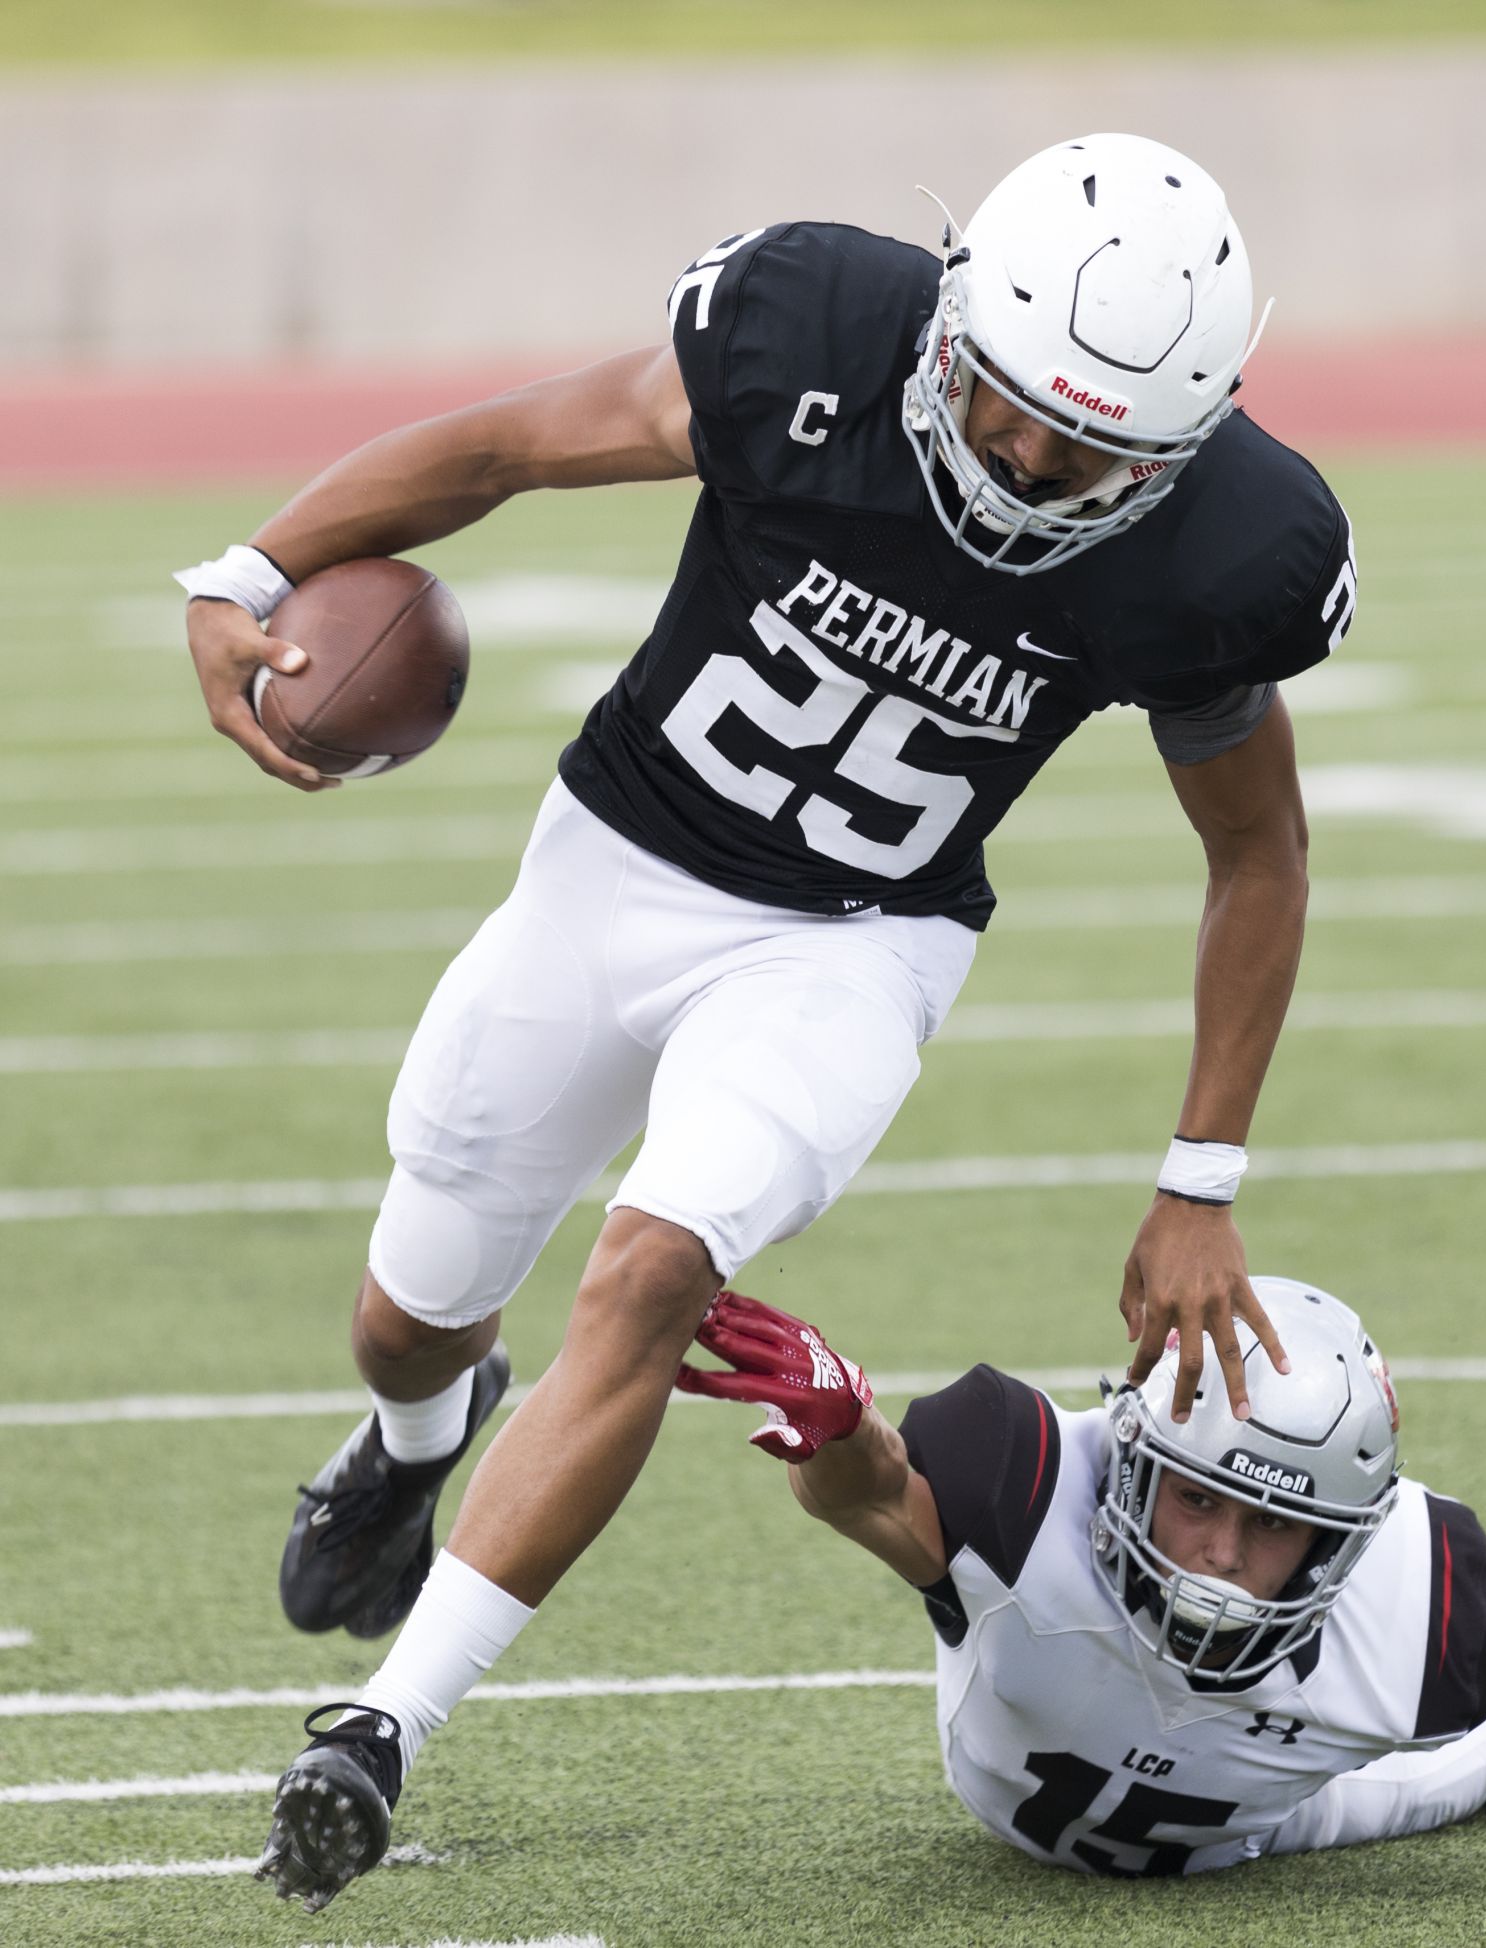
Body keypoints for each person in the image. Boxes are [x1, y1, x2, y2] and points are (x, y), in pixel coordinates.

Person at [175, 134, 1359, 1914]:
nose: (1031, 466)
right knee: (405, 1321)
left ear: (1184, 448)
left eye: (1094, 449)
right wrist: (251, 570)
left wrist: (1201, 1176)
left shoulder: (1221, 553)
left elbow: (1257, 850)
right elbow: (504, 445)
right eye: (1013, 407)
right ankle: (420, 1438)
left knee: (652, 1268)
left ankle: (381, 1725)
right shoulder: (813, 334)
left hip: (856, 946)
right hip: (612, 868)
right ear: (950, 323)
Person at [665, 1284, 1486, 1877]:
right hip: (1090, 1802)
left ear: (1340, 1537)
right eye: (1198, 1496)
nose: (1219, 1554)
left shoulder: (1388, 1623)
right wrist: (837, 1434)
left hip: (1282, 1817)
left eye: (1270, 1525)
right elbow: (875, 1497)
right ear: (1136, 1458)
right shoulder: (1026, 1507)